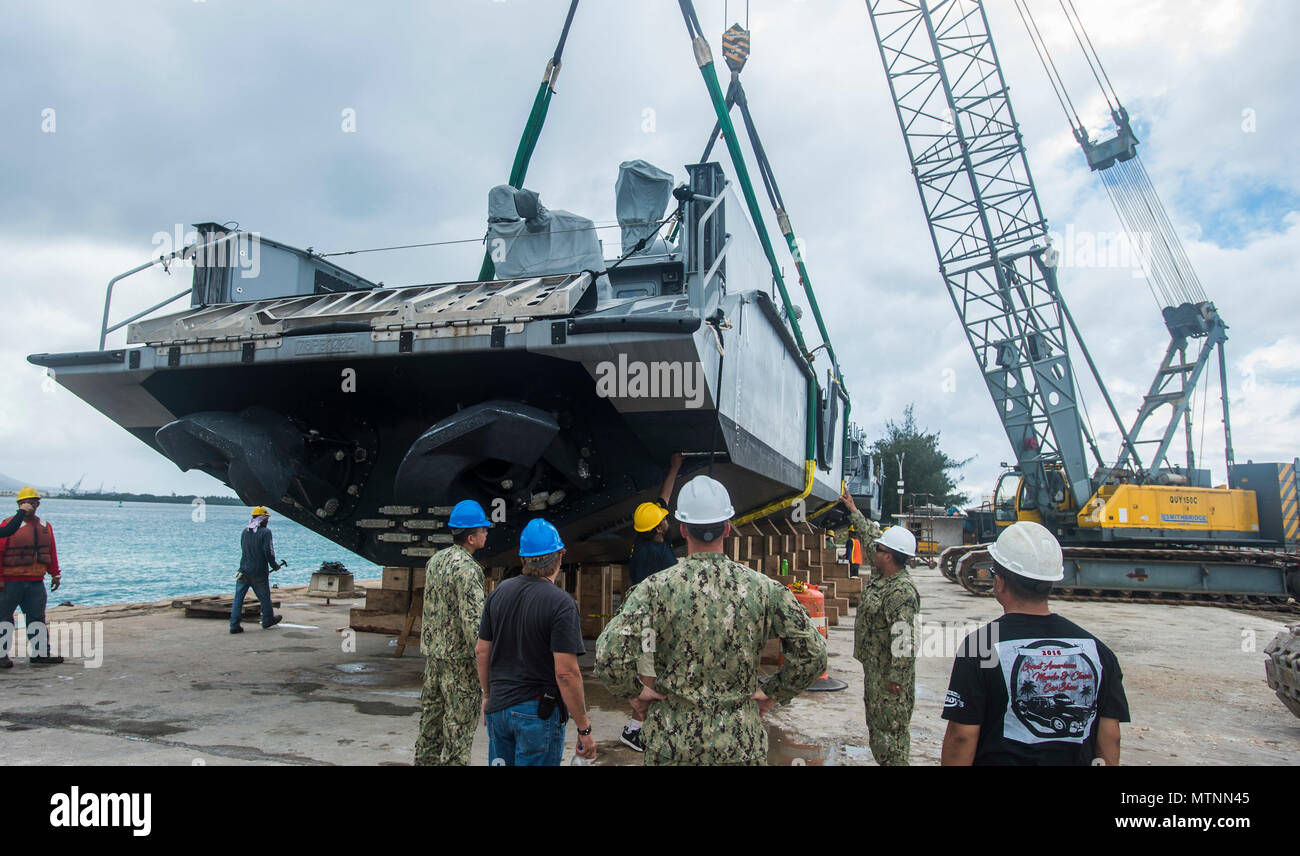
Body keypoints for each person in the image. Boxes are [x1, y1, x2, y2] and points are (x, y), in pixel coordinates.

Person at [595, 475, 827, 766]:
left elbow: (608, 656)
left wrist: (636, 693)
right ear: (727, 528)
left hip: (673, 746)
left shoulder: (653, 589)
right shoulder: (764, 589)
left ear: (683, 529)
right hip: (740, 746)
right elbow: (814, 654)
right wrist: (773, 693)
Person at [940, 521, 1130, 765]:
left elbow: (962, 736)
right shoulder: (1098, 651)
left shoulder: (981, 646)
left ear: (1000, 582)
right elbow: (1111, 736)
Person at [475, 518, 595, 766]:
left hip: (499, 709)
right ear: (559, 558)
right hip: (537, 713)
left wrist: (488, 695)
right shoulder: (561, 604)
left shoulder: (498, 593)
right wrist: (584, 728)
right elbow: (566, 673)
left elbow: (482, 651)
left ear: (522, 560)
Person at [414, 499, 492, 766]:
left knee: (430, 725)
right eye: (483, 529)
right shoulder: (468, 569)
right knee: (458, 732)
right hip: (459, 664)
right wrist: (486, 662)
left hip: (433, 658)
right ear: (471, 537)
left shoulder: (435, 561)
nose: (486, 533)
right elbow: (474, 624)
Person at [621, 451, 683, 751]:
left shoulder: (645, 537)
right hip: (649, 623)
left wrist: (674, 468)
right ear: (659, 529)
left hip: (648, 617)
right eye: (664, 520)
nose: (667, 519)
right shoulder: (656, 555)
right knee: (649, 674)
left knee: (653, 669)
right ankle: (634, 730)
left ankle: (647, 723)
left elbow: (663, 499)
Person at [853, 519, 920, 766]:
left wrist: (897, 678)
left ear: (889, 556)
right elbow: (870, 537)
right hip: (876, 671)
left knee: (891, 737)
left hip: (889, 680)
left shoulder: (900, 592)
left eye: (879, 550)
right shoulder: (882, 576)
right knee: (878, 732)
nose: (874, 551)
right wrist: (853, 511)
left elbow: (904, 638)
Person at [0, 488, 63, 667]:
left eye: (33, 502)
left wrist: (55, 573)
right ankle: (1, 656)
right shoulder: (8, 524)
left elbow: (51, 551)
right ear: (19, 504)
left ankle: (41, 654)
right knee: (4, 618)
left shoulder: (45, 526)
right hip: (10, 582)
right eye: (26, 502)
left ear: (38, 504)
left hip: (36, 582)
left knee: (37, 618)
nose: (30, 505)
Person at [229, 506, 282, 633]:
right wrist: (274, 565)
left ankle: (234, 625)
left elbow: (243, 548)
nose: (267, 521)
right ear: (263, 519)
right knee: (264, 597)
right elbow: (268, 552)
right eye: (266, 519)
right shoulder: (266, 532)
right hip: (259, 572)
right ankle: (267, 620)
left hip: (243, 570)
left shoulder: (245, 531)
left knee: (238, 599)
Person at [840, 487, 882, 578]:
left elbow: (850, 552)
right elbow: (865, 533)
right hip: (858, 562)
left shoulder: (851, 541)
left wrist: (846, 559)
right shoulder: (859, 542)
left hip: (852, 562)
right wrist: (852, 508)